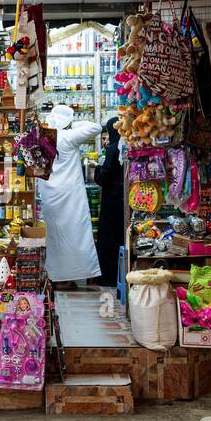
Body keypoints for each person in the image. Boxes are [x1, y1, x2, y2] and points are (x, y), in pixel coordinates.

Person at [41, 103, 102, 285]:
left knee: (53, 237)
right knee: (76, 234)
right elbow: (96, 127)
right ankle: (75, 275)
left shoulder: (46, 139)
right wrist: (71, 125)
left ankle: (54, 277)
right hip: (70, 195)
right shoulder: (68, 136)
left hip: (49, 194)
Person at [94, 116, 125, 287]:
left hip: (111, 201)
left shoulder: (113, 149)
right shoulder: (124, 147)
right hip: (122, 200)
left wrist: (96, 168)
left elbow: (104, 177)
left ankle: (108, 276)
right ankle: (120, 275)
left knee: (108, 239)